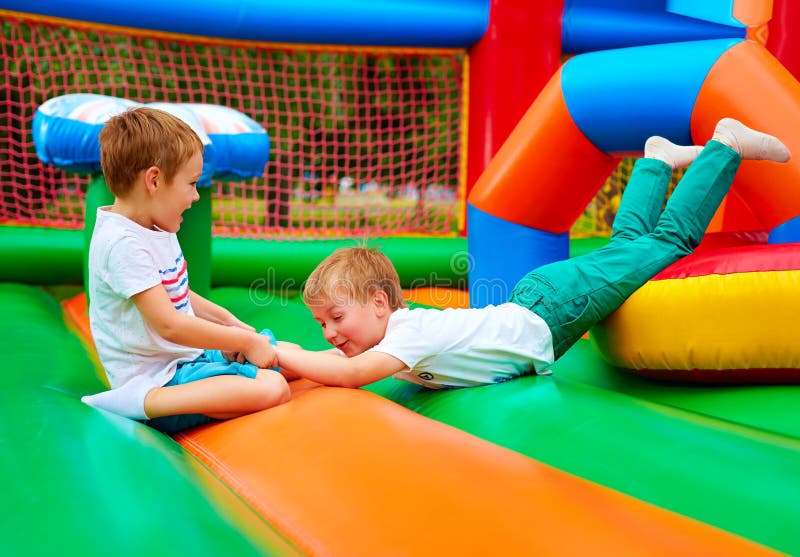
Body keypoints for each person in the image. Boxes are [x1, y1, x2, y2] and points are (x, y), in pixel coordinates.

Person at [274, 118, 791, 388]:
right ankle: (655, 161)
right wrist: (269, 359)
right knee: (630, 249)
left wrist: (277, 353)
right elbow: (327, 360)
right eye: (322, 323)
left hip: (553, 309)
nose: (329, 334)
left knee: (667, 243)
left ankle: (725, 144)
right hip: (540, 300)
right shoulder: (385, 339)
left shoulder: (406, 335)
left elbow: (342, 375)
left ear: (381, 303)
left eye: (336, 318)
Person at [81, 107, 289, 434]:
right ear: (154, 180)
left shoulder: (153, 224)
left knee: (278, 352)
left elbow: (178, 293)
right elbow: (170, 325)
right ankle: (135, 402)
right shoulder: (122, 243)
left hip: (182, 357)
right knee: (272, 387)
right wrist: (240, 341)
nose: (195, 196)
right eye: (192, 184)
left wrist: (232, 325)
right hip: (158, 377)